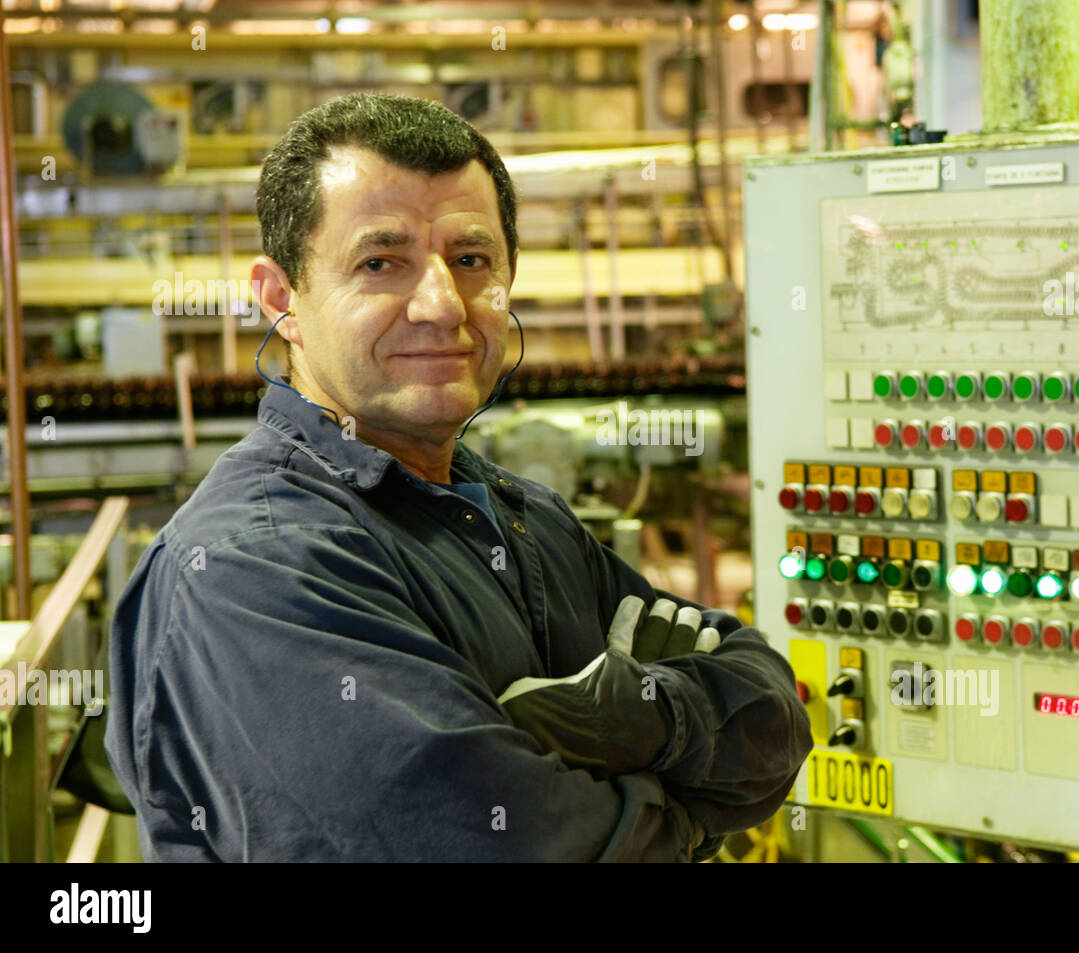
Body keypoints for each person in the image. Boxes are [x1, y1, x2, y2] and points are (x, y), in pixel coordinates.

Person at [104, 92, 812, 861]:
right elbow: (512, 847)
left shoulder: (520, 517)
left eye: (471, 261)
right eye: (381, 263)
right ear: (282, 301)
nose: (442, 304)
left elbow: (772, 711)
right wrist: (691, 815)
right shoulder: (252, 568)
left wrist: (650, 717)